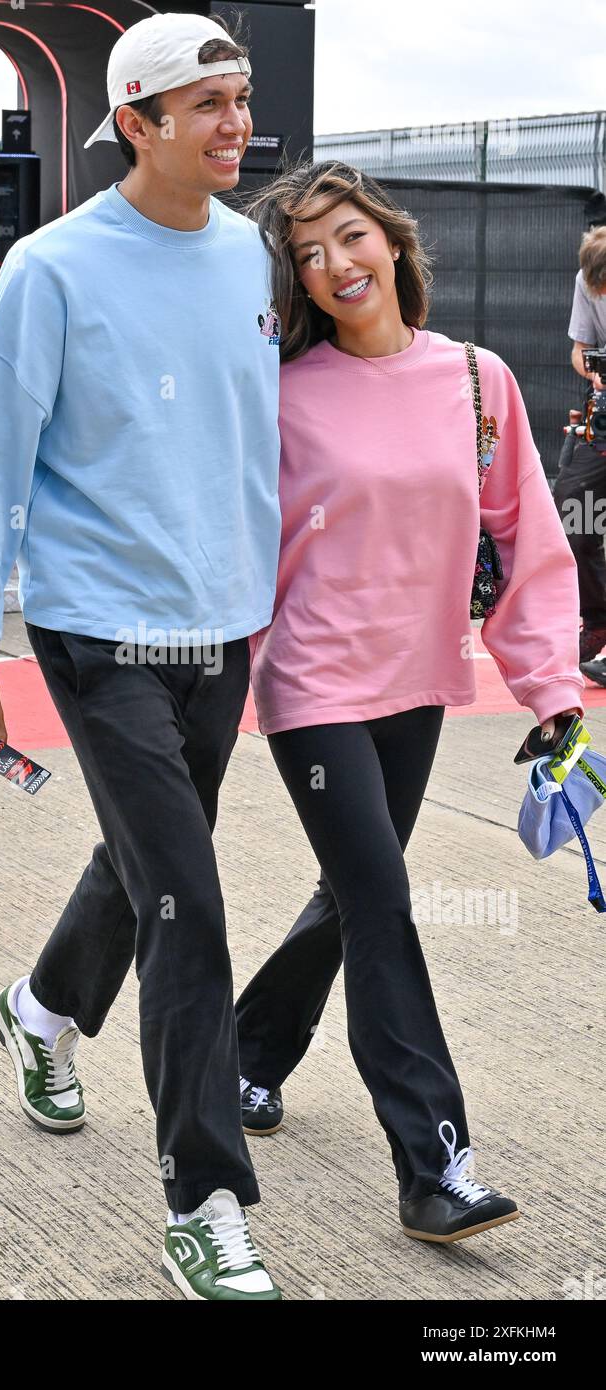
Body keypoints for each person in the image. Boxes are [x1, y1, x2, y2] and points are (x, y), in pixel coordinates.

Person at [0, 13, 284, 1300]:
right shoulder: (51, 269)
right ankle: (203, 1198)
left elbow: (258, 447)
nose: (235, 123)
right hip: (99, 634)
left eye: (239, 98)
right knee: (189, 901)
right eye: (206, 105)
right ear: (134, 122)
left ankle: (37, 1011)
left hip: (223, 629)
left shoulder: (250, 252)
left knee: (143, 871)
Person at [231, 160, 585, 1244]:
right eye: (307, 254)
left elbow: (525, 538)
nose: (335, 264)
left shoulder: (478, 381)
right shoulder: (277, 390)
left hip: (419, 680)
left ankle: (242, 1054)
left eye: (348, 236)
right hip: (310, 682)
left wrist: (551, 685)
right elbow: (232, 537)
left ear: (389, 239)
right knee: (381, 901)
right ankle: (434, 1164)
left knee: (352, 891)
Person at [558, 224, 606, 680]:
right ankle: (597, 621)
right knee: (578, 518)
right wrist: (593, 371)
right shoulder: (585, 279)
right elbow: (580, 349)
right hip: (600, 419)